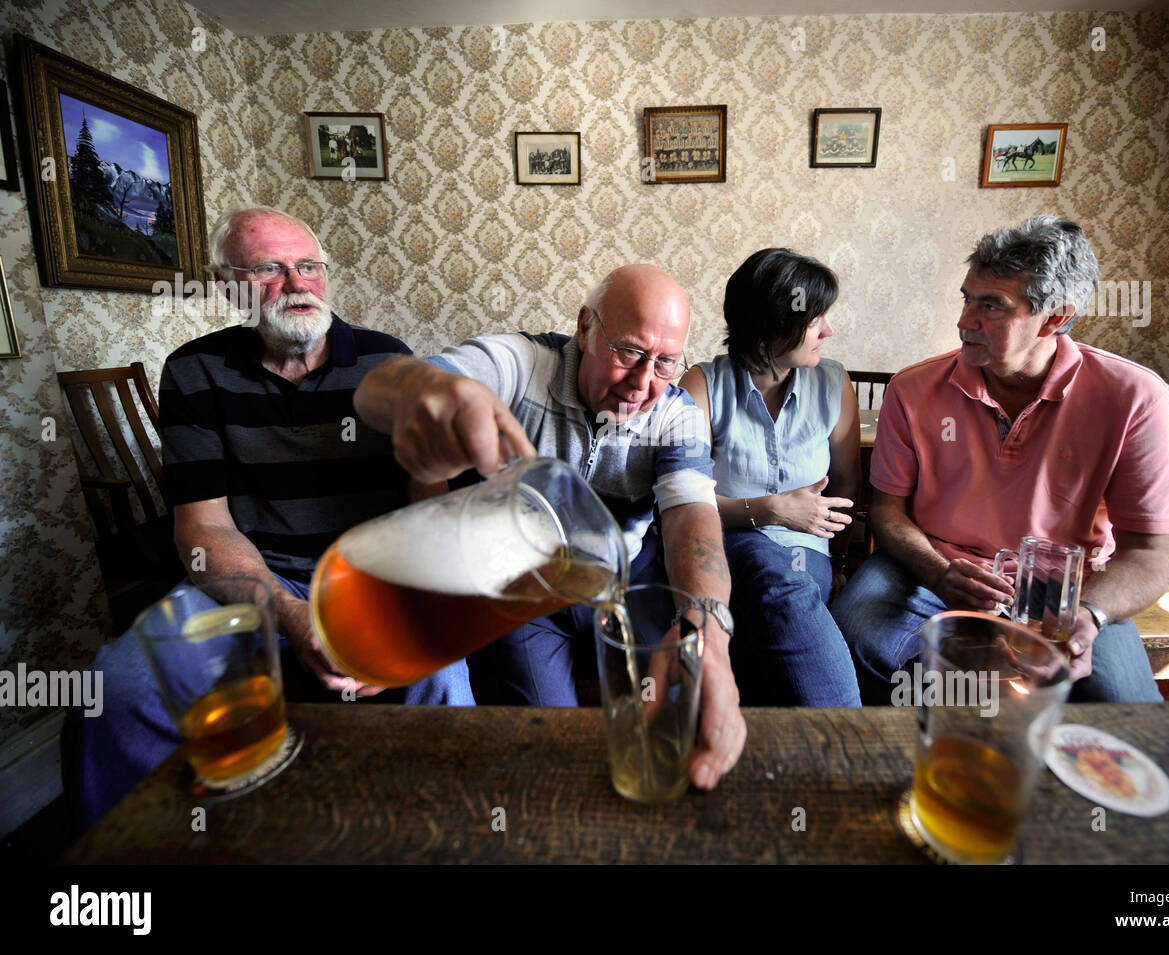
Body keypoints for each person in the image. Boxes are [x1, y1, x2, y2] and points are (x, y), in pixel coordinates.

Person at [64, 205, 474, 828]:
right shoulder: (193, 372)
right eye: (268, 270)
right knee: (113, 692)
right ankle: (133, 857)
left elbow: (428, 507)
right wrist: (288, 615)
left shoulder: (390, 363)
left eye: (309, 266)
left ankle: (440, 834)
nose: (295, 284)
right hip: (247, 578)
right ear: (230, 286)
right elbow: (204, 530)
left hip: (372, 575)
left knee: (442, 681)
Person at [354, 265, 746, 790]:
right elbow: (389, 384)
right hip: (529, 588)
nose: (642, 382)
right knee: (551, 751)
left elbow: (691, 518)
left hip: (629, 584)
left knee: (658, 738)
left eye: (665, 362)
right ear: (585, 328)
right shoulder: (521, 363)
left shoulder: (676, 413)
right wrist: (425, 391)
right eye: (629, 351)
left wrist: (708, 630)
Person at [831, 215, 1169, 704]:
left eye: (992, 306)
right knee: (848, 642)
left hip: (1066, 589)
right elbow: (887, 511)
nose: (964, 321)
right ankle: (920, 755)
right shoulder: (913, 389)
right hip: (932, 565)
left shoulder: (1134, 397)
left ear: (1055, 317)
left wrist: (1091, 615)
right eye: (967, 298)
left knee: (1126, 709)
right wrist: (938, 573)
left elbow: (1149, 554)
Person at [679, 249, 861, 706]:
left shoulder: (835, 385)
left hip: (810, 558)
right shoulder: (701, 385)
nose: (829, 330)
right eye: (816, 318)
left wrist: (838, 563)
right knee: (772, 580)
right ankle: (844, 738)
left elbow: (846, 487)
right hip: (730, 548)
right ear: (771, 324)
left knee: (787, 600)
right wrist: (772, 510)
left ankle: (740, 719)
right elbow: (682, 505)